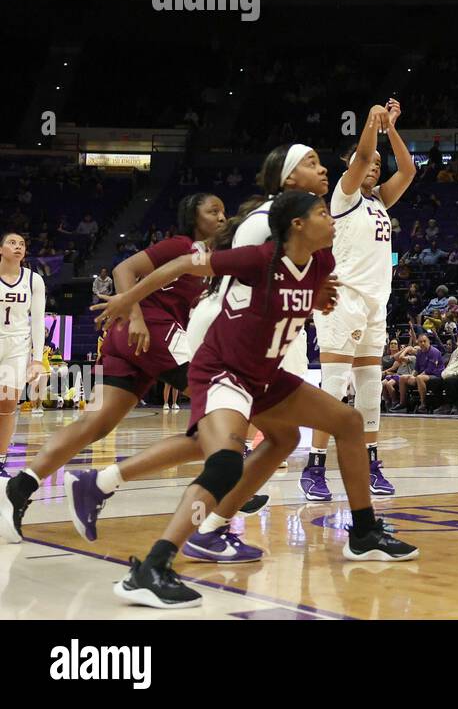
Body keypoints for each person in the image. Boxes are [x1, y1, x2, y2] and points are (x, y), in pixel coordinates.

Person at [89, 190, 416, 608]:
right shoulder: (259, 258)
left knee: (348, 422)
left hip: (264, 375)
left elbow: (307, 290)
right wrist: (128, 299)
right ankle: (151, 568)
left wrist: (320, 295)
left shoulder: (322, 263)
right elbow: (184, 263)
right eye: (322, 213)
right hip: (222, 370)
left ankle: (364, 532)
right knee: (224, 462)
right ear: (297, 224)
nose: (331, 219)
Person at [58, 144, 331, 556]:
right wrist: (129, 302)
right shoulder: (263, 222)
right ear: (288, 177)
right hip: (232, 338)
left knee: (242, 436)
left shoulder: (286, 219)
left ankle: (179, 500)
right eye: (312, 162)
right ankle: (199, 527)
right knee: (250, 437)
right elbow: (210, 275)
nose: (323, 169)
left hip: (247, 336)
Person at [0, 196, 230, 547]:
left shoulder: (212, 259)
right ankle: (231, 488)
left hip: (130, 341)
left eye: (224, 211)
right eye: (213, 211)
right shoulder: (180, 245)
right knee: (222, 402)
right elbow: (124, 269)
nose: (222, 217)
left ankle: (19, 488)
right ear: (192, 217)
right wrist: (136, 317)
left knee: (95, 423)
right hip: (150, 331)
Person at [302, 100, 416, 502]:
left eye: (378, 165)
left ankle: (369, 464)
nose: (375, 167)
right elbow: (365, 155)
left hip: (374, 303)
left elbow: (409, 171)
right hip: (343, 297)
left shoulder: (379, 199)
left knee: (370, 388)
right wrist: (372, 120)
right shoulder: (343, 195)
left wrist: (392, 130)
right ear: (350, 165)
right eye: (368, 162)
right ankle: (314, 466)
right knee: (334, 386)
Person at [0, 233, 44, 480]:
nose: (17, 247)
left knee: (7, 404)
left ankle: (0, 459)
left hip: (16, 346)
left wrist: (37, 359)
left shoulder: (33, 280)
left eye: (22, 244)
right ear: (1, 249)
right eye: (12, 243)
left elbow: (37, 320)